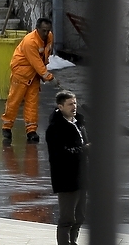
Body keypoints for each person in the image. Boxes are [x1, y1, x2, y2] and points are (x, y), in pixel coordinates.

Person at [1, 17, 56, 144]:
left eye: (48, 30)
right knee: (14, 101)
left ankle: (31, 131)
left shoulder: (49, 37)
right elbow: (36, 62)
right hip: (21, 73)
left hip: (34, 74)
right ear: (37, 29)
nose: (46, 33)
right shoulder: (30, 42)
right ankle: (7, 126)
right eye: (43, 31)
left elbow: (43, 58)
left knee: (32, 102)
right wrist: (48, 77)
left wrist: (43, 74)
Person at [46, 90, 88, 245]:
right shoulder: (55, 128)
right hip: (66, 178)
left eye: (75, 103)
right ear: (60, 106)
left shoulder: (79, 123)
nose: (74, 106)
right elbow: (60, 154)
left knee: (80, 216)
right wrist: (85, 149)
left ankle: (73, 242)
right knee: (67, 218)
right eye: (70, 104)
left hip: (82, 176)